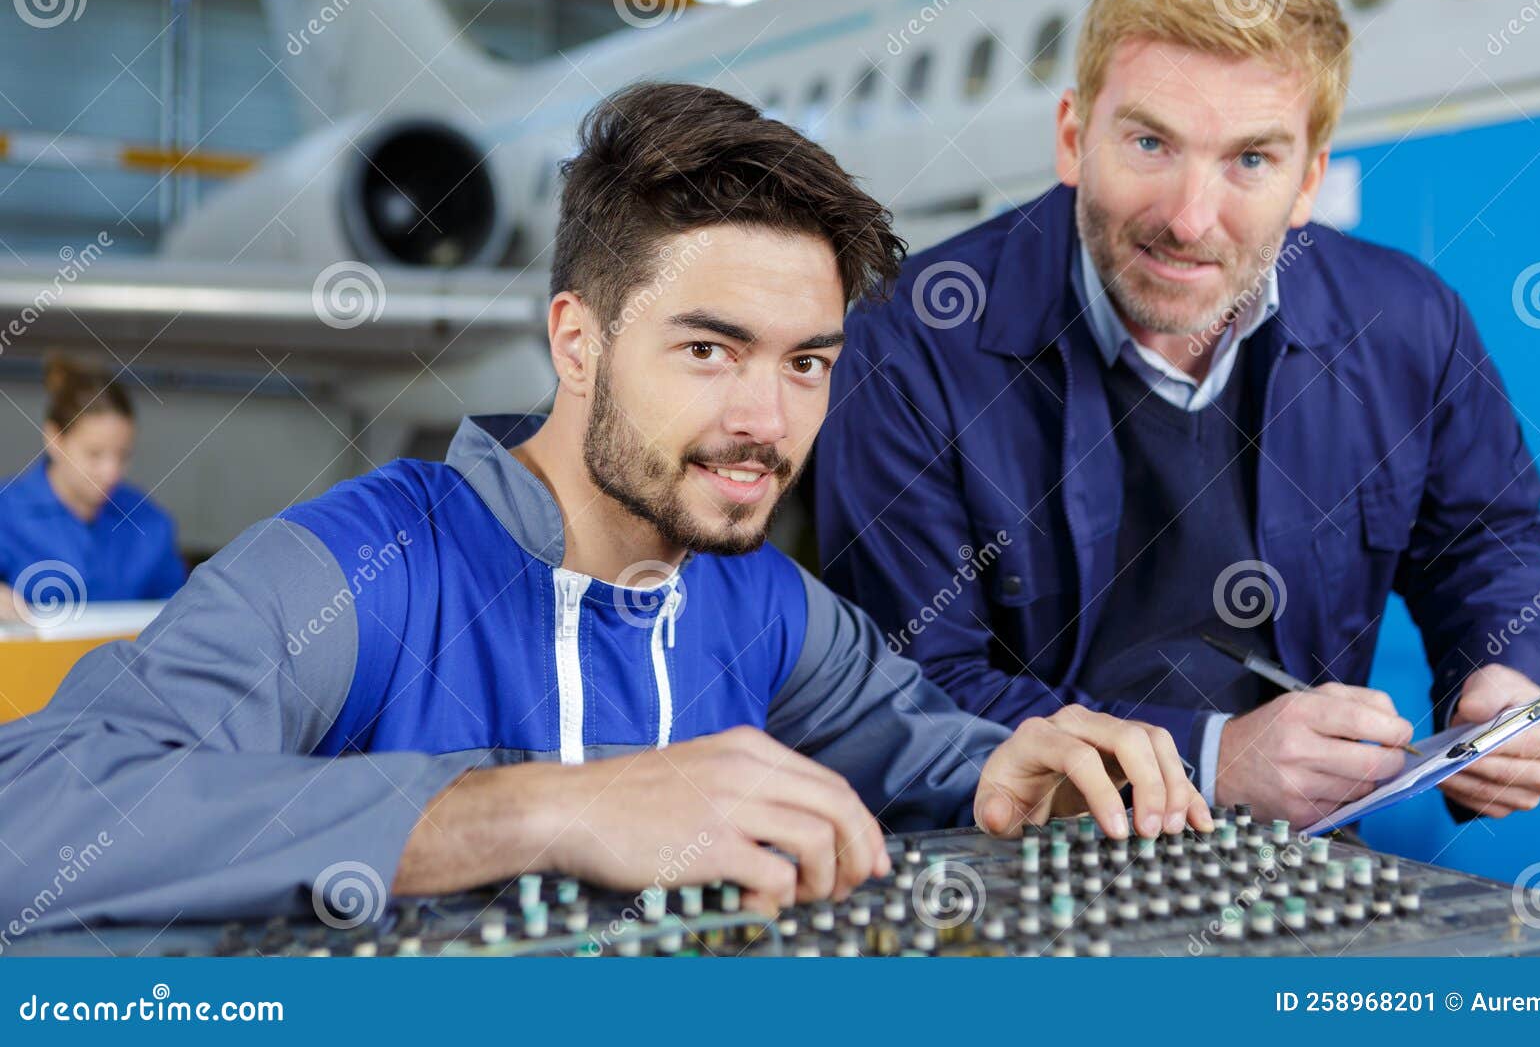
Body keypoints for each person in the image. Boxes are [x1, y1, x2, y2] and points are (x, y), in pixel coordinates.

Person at [0, 83, 1209, 932]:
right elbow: (34, 809)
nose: (767, 420)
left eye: (806, 362)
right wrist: (536, 809)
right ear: (575, 340)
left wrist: (1032, 769)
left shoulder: (771, 607)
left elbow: (943, 760)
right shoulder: (362, 569)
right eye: (709, 348)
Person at [814, 0, 1540, 831]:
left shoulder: (1409, 322)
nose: (1188, 217)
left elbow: (1485, 541)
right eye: (1150, 142)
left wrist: (1497, 674)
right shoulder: (911, 346)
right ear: (1072, 137)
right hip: (1013, 867)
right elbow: (907, 689)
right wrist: (1215, 757)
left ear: (1308, 180)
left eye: (1250, 159)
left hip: (1294, 865)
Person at [0, 355, 186, 620]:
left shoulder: (149, 522)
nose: (111, 472)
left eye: (122, 455)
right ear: (54, 439)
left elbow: (181, 615)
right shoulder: (6, 512)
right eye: (94, 454)